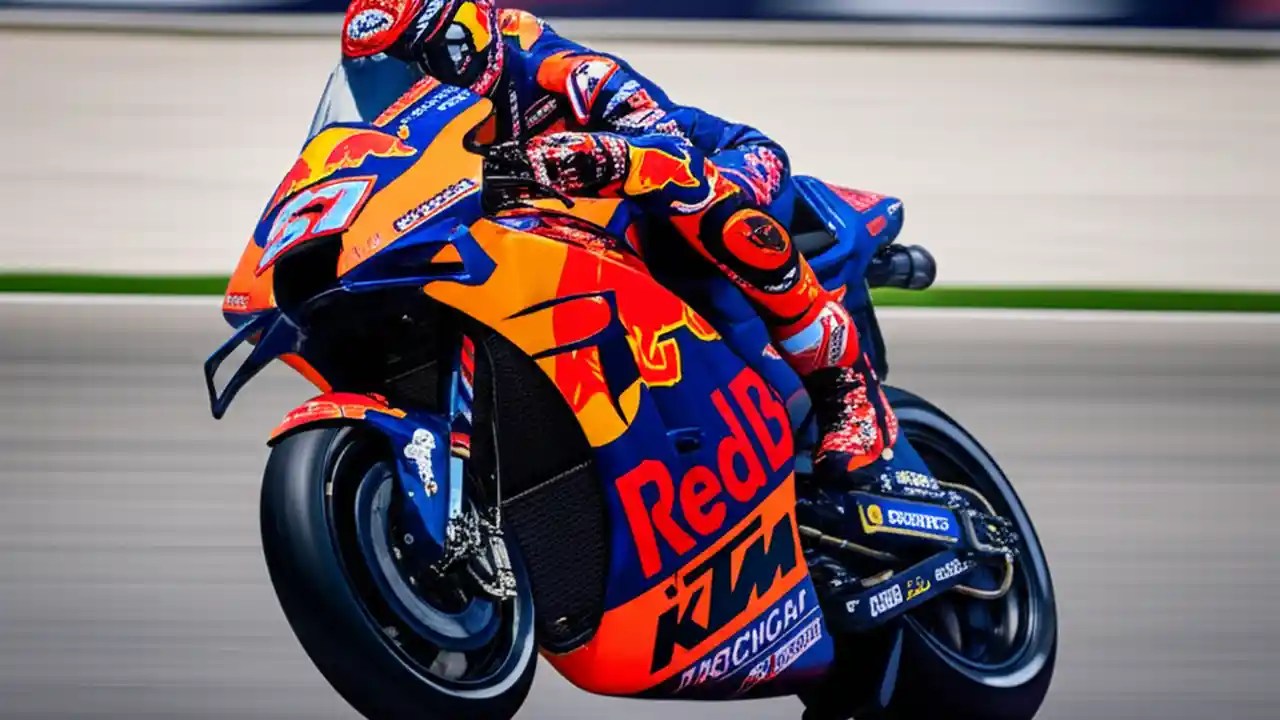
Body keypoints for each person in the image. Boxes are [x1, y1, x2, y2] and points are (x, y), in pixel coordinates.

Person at [341, 0, 900, 498]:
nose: (396, 96)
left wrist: (602, 154)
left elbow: (668, 147)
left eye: (411, 72)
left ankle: (848, 391)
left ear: (464, 47)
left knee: (685, 194)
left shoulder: (560, 71)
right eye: (378, 83)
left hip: (730, 166)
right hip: (592, 229)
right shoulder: (426, 136)